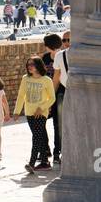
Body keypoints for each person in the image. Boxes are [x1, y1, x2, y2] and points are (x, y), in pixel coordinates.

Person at [12, 57, 55, 173]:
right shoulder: (25, 79)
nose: (29, 67)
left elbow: (52, 98)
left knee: (36, 136)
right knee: (38, 136)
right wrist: (17, 111)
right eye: (28, 65)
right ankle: (45, 162)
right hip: (29, 112)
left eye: (32, 64)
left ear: (38, 65)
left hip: (41, 113)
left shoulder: (47, 80)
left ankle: (31, 163)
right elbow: (21, 96)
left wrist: (41, 109)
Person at [42, 32, 69, 165]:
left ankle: (57, 151)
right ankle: (45, 149)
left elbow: (57, 78)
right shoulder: (47, 58)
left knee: (58, 124)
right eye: (64, 40)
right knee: (40, 122)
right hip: (51, 94)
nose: (66, 42)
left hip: (61, 92)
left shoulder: (64, 55)